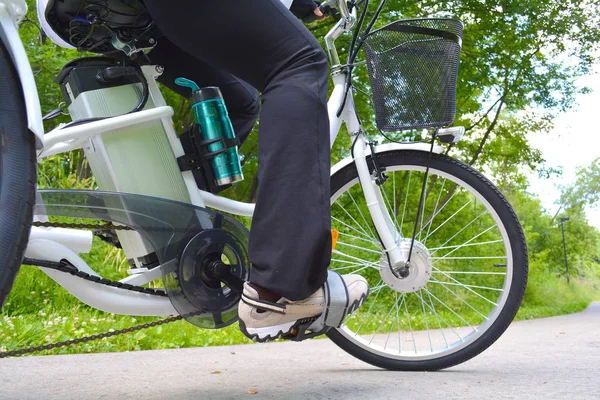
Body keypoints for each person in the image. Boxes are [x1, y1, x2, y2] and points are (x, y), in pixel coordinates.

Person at [40, 0, 369, 341]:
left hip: (85, 16)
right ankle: (279, 290)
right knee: (298, 63)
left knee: (236, 104)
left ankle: (158, 219)